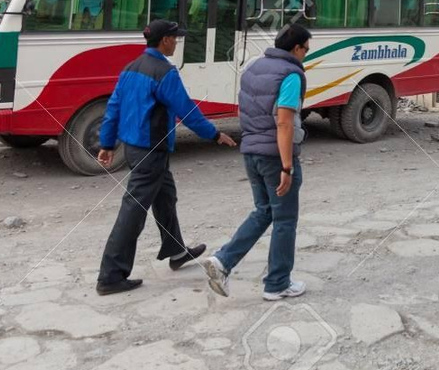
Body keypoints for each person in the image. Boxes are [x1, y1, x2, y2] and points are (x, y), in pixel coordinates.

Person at [96, 19, 237, 296]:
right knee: (132, 213)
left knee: (166, 196)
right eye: (175, 38)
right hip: (152, 151)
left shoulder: (130, 68)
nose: (177, 43)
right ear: (165, 42)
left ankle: (176, 251)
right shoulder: (164, 72)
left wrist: (107, 143)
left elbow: (113, 108)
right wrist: (213, 134)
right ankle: (110, 276)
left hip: (135, 147)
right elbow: (186, 110)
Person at [204, 23, 311, 301]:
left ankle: (222, 261)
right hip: (276, 157)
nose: (306, 56)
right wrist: (287, 166)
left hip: (251, 152)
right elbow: (285, 122)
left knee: (264, 211)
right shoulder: (291, 75)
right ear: (296, 48)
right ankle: (277, 284)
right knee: (285, 220)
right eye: (306, 50)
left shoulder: (253, 68)